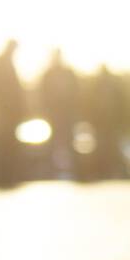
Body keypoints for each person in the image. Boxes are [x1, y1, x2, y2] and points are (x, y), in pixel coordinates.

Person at [0, 40, 25, 186]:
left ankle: (7, 176)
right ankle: (0, 176)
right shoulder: (1, 64)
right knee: (2, 144)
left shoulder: (7, 64)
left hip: (10, 113)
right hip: (3, 112)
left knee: (8, 145)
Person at [39, 48, 78, 177]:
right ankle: (50, 169)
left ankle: (73, 169)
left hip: (67, 113)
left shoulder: (68, 73)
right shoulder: (49, 74)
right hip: (53, 114)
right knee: (52, 142)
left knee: (69, 140)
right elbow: (42, 93)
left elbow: (75, 91)